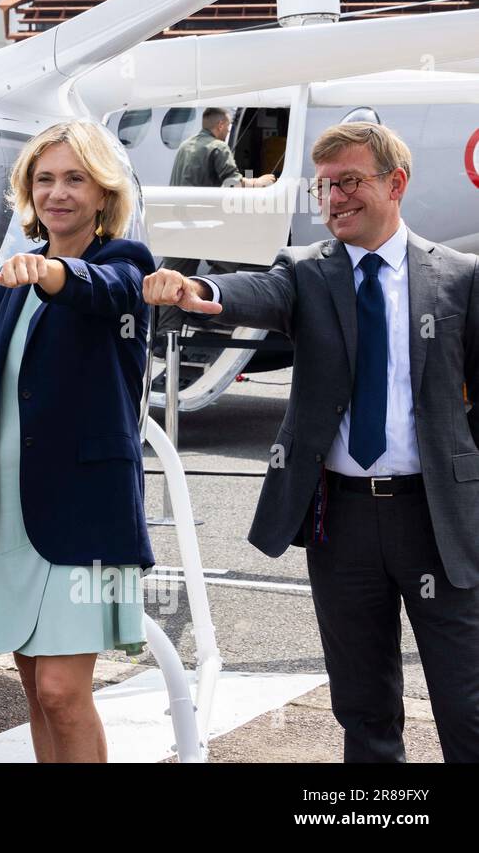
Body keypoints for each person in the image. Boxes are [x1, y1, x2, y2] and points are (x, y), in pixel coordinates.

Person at [143, 121, 479, 762]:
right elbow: (251, 292)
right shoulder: (304, 274)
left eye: (349, 182)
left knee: (467, 706)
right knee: (363, 708)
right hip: (342, 522)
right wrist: (199, 291)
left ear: (396, 183)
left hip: (437, 520)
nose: (333, 200)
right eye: (322, 188)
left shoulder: (460, 278)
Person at [0, 119, 156, 763]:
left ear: (102, 194)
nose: (58, 192)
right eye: (45, 179)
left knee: (65, 691)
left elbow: (103, 292)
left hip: (83, 512)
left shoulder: (124, 264)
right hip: (8, 508)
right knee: (37, 691)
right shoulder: (13, 288)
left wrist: (51, 273)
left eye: (75, 178)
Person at [156, 108, 277, 349]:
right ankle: (210, 310)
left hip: (177, 226)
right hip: (202, 227)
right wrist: (263, 181)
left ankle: (164, 342)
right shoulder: (218, 147)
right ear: (221, 125)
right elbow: (234, 183)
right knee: (233, 259)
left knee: (174, 282)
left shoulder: (185, 145)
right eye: (229, 126)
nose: (228, 130)